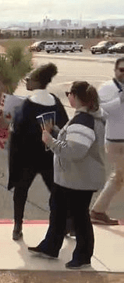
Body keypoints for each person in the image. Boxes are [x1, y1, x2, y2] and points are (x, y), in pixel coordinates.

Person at [29, 81, 106, 269]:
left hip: (79, 180)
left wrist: (50, 140)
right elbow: (73, 141)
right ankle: (50, 246)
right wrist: (55, 132)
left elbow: (74, 151)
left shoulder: (84, 121)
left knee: (79, 217)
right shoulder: (84, 118)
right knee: (58, 211)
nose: (67, 96)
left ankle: (83, 256)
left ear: (76, 97)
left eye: (69, 93)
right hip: (70, 179)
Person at [8, 63, 69, 241]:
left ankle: (18, 225)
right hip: (50, 155)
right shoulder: (55, 102)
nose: (26, 81)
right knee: (56, 191)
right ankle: (65, 224)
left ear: (37, 82)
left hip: (27, 157)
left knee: (21, 192)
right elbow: (65, 126)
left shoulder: (27, 104)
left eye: (29, 79)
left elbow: (17, 131)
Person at [89, 57, 124, 225]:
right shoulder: (107, 88)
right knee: (118, 177)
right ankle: (97, 211)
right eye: (122, 70)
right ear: (115, 71)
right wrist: (120, 100)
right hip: (116, 142)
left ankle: (98, 211)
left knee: (118, 178)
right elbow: (98, 111)